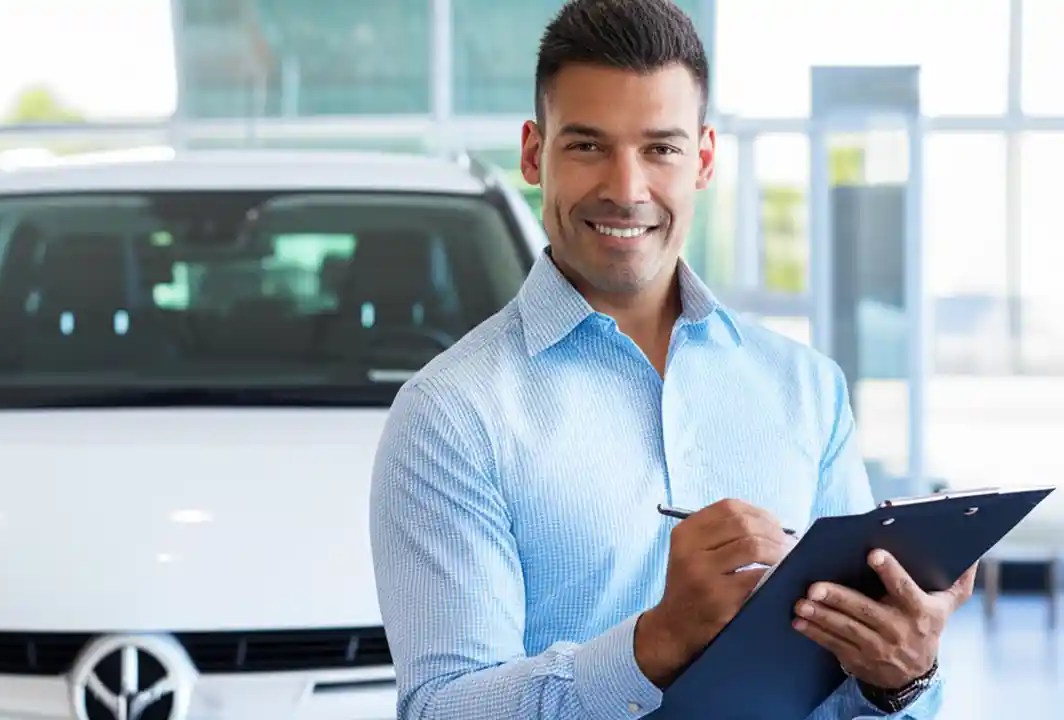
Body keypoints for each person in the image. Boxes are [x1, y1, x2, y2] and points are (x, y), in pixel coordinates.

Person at [368, 0, 976, 718]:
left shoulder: (807, 389)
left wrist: (899, 678)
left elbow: (847, 696)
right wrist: (652, 644)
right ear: (535, 153)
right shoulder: (450, 415)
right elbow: (442, 710)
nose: (627, 190)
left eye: (660, 148)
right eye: (588, 146)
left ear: (705, 158)